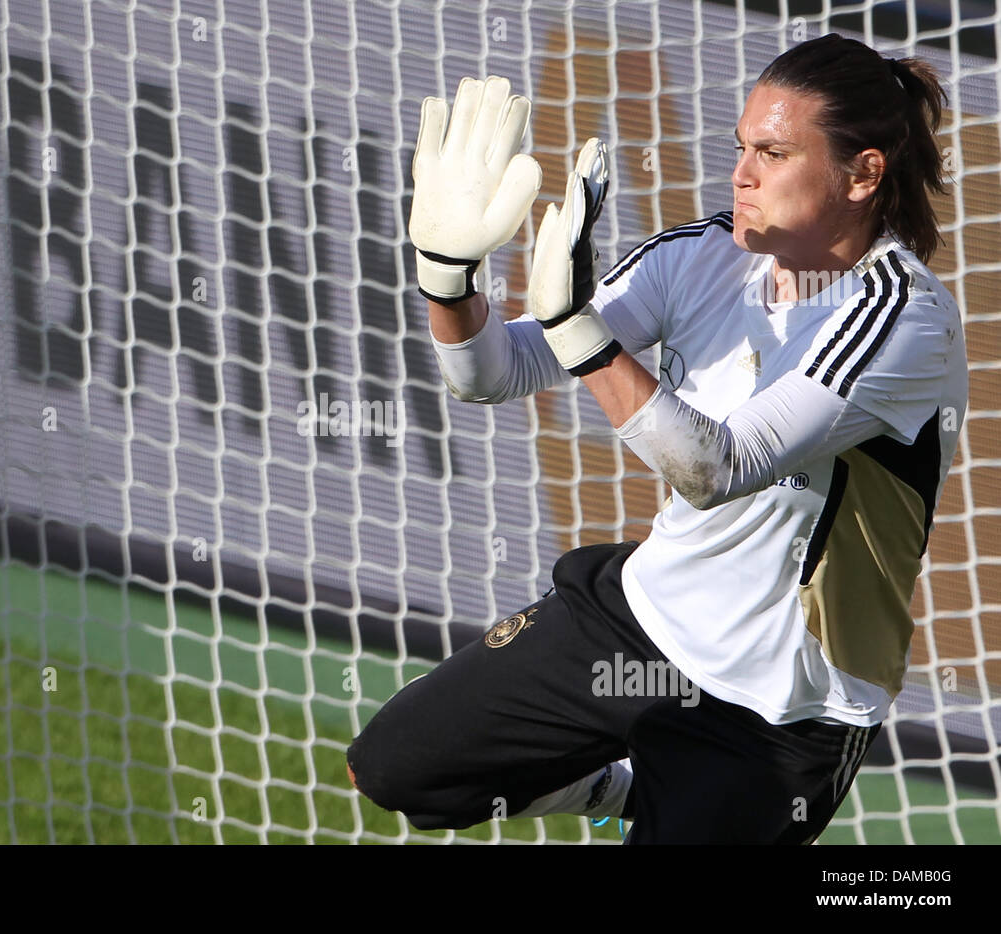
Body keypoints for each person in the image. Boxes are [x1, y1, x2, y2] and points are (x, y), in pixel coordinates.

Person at [344, 34, 968, 844]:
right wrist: (446, 273)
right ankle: (634, 789)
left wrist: (580, 329)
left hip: (779, 706)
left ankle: (682, 788)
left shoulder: (902, 316)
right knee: (393, 767)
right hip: (639, 623)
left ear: (864, 174)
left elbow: (719, 467)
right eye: (741, 147)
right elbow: (495, 372)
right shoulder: (700, 255)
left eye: (774, 153)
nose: (742, 173)